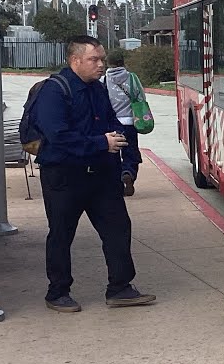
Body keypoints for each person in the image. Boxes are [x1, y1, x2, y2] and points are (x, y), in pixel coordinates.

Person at [34, 35, 156, 313]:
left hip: (101, 174)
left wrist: (119, 136)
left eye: (102, 58)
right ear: (75, 61)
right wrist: (102, 143)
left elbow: (111, 120)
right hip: (65, 176)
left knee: (118, 229)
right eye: (94, 59)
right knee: (62, 235)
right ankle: (58, 292)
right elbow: (58, 136)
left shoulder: (98, 89)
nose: (101, 64)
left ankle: (120, 287)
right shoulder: (55, 91)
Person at [104, 50, 144, 196]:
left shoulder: (104, 80)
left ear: (108, 63)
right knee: (131, 151)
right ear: (123, 62)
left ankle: (116, 183)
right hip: (130, 122)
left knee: (113, 153)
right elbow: (141, 97)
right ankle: (129, 172)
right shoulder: (132, 78)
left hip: (112, 124)